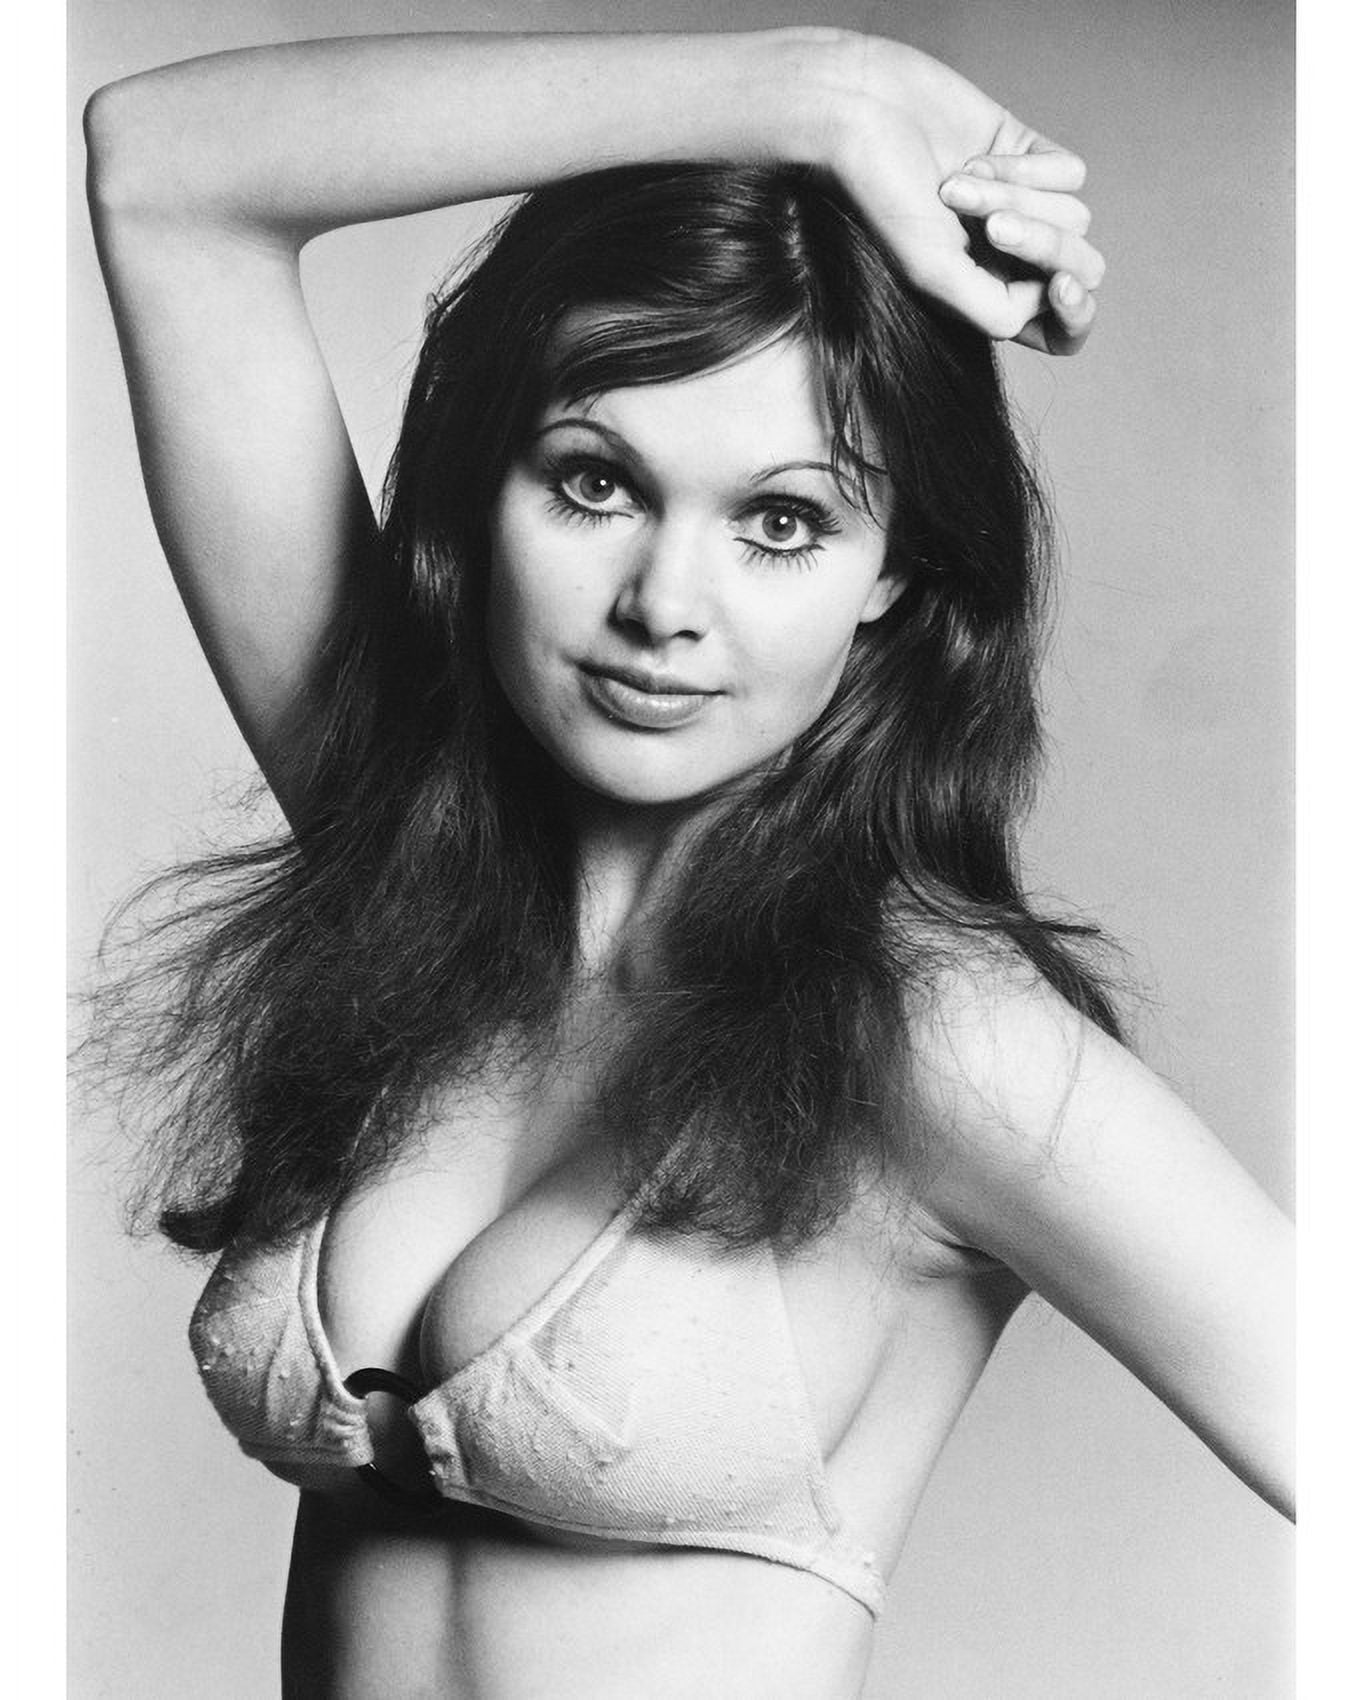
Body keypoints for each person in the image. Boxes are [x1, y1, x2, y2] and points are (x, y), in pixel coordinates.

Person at [83, 23, 1292, 1700]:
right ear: (487, 487)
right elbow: (167, 172)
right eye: (594, 483)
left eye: (781, 521)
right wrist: (820, 93)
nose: (665, 604)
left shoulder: (931, 1033)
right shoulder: (407, 870)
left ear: (893, 569)